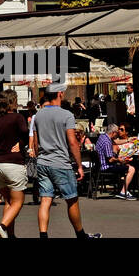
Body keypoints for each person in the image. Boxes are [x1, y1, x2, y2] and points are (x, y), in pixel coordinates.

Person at [30, 86, 100, 239]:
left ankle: (43, 235)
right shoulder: (66, 115)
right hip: (60, 162)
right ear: (60, 94)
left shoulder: (38, 115)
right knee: (72, 199)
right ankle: (80, 234)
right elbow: (73, 142)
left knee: (45, 199)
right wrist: (80, 165)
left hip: (43, 162)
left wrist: (39, 156)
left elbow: (35, 143)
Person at [0, 90, 31, 239]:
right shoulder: (17, 118)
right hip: (13, 164)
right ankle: (2, 226)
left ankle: (11, 235)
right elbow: (25, 134)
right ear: (11, 102)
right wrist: (20, 144)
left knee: (8, 201)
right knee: (18, 201)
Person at [109, 121, 139, 199]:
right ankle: (124, 190)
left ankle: (136, 190)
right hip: (120, 162)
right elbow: (114, 148)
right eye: (119, 129)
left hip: (132, 160)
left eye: (122, 129)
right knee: (130, 167)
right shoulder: (116, 141)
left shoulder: (134, 140)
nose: (119, 131)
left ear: (127, 132)